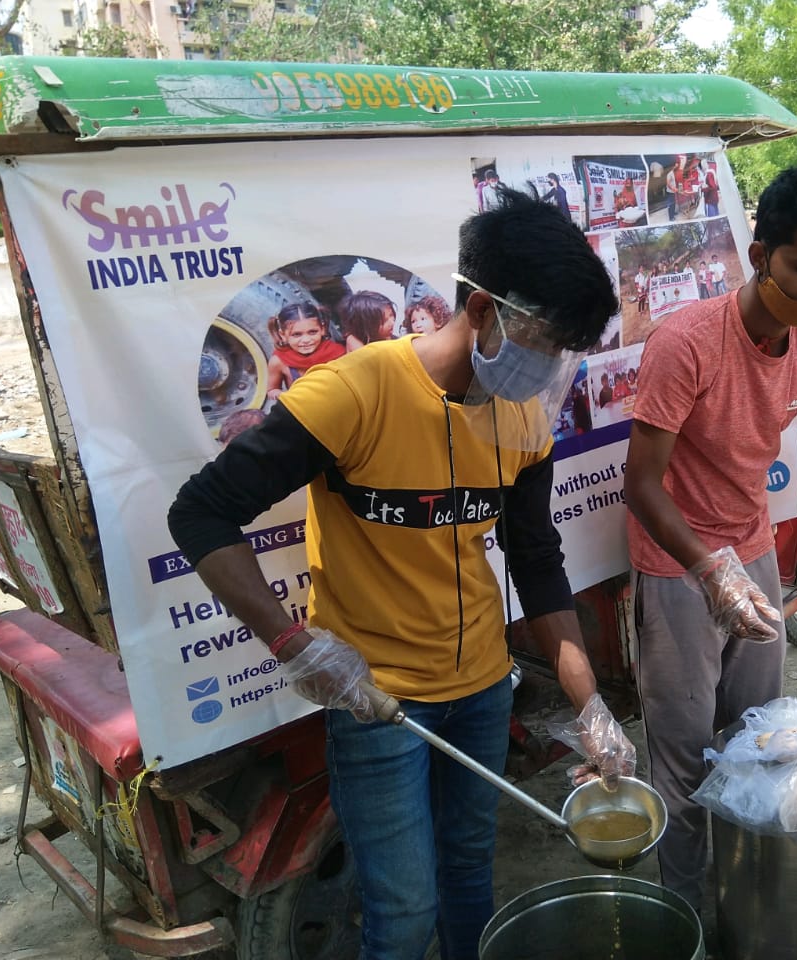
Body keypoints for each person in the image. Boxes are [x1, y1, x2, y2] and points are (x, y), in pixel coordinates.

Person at [168, 190, 632, 960]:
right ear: (481, 309)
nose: (549, 368)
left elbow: (537, 559)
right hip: (378, 701)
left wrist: (592, 708)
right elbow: (200, 514)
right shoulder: (352, 393)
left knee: (470, 877)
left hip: (484, 690)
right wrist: (293, 645)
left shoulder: (523, 417)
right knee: (405, 913)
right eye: (545, 344)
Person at [623, 163, 797, 913]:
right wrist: (708, 569)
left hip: (754, 549)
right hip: (674, 562)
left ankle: (742, 904)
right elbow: (642, 486)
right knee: (682, 757)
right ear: (760, 253)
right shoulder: (686, 342)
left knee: (760, 742)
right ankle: (687, 915)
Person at [265, 302, 345, 402]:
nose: (306, 340)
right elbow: (272, 389)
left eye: (312, 332)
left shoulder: (338, 354)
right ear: (282, 335)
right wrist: (284, 396)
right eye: (297, 334)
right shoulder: (279, 361)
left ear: (322, 329)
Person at [665, 154, 685, 221]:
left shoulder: (673, 172)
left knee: (673, 203)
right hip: (670, 192)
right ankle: (671, 217)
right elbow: (668, 183)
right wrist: (673, 188)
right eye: (676, 165)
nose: (677, 166)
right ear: (673, 166)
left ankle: (673, 213)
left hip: (673, 191)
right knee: (670, 204)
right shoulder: (669, 173)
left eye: (677, 165)